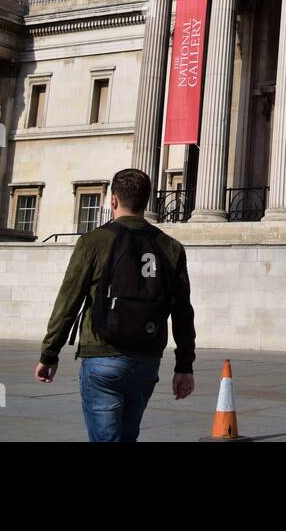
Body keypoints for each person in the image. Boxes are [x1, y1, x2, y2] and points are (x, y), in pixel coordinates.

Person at [35, 168, 196, 442]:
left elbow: (68, 301)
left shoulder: (93, 241)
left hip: (102, 355)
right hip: (147, 358)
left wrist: (49, 354)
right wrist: (184, 366)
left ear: (113, 200)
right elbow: (182, 312)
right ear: (147, 202)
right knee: (127, 436)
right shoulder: (171, 247)